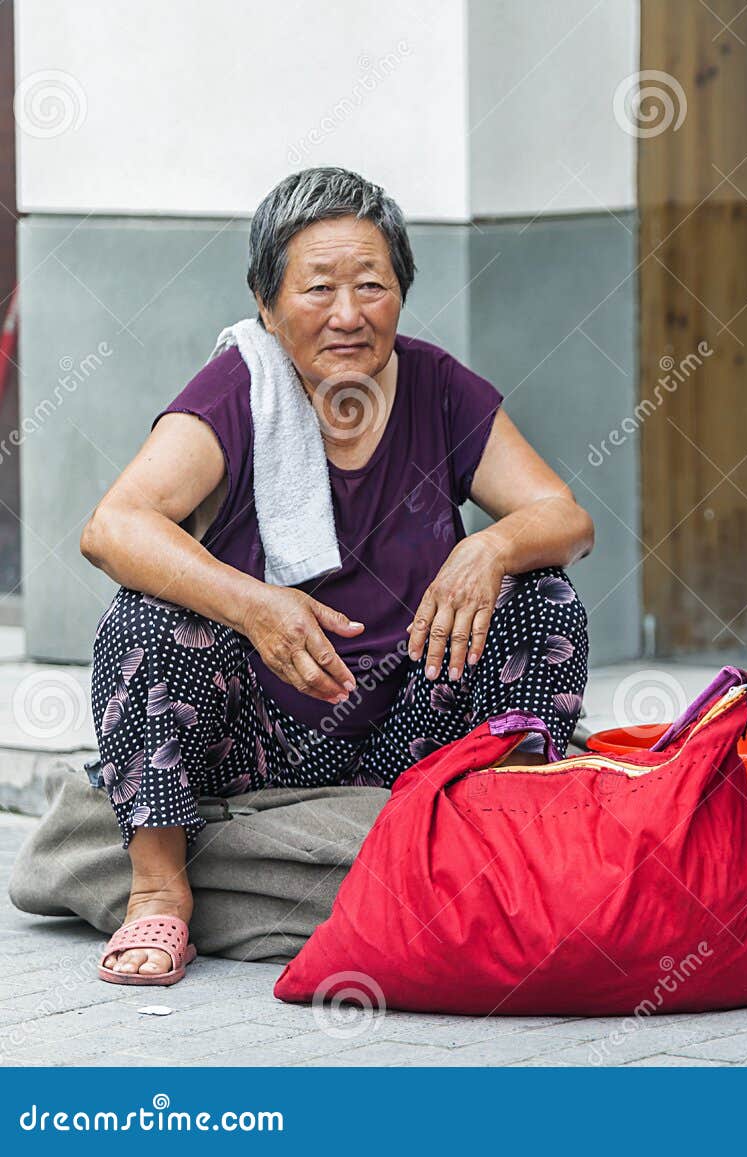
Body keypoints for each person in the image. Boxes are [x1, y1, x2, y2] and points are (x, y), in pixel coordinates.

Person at [80, 167, 593, 986]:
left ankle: (502, 856)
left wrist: (488, 548)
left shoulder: (437, 386)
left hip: (409, 731)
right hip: (254, 735)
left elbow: (564, 518)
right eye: (318, 288)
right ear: (266, 300)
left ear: (402, 292)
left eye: (372, 286)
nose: (349, 314)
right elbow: (114, 526)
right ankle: (157, 892)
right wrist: (252, 606)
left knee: (541, 597)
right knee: (143, 619)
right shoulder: (238, 388)